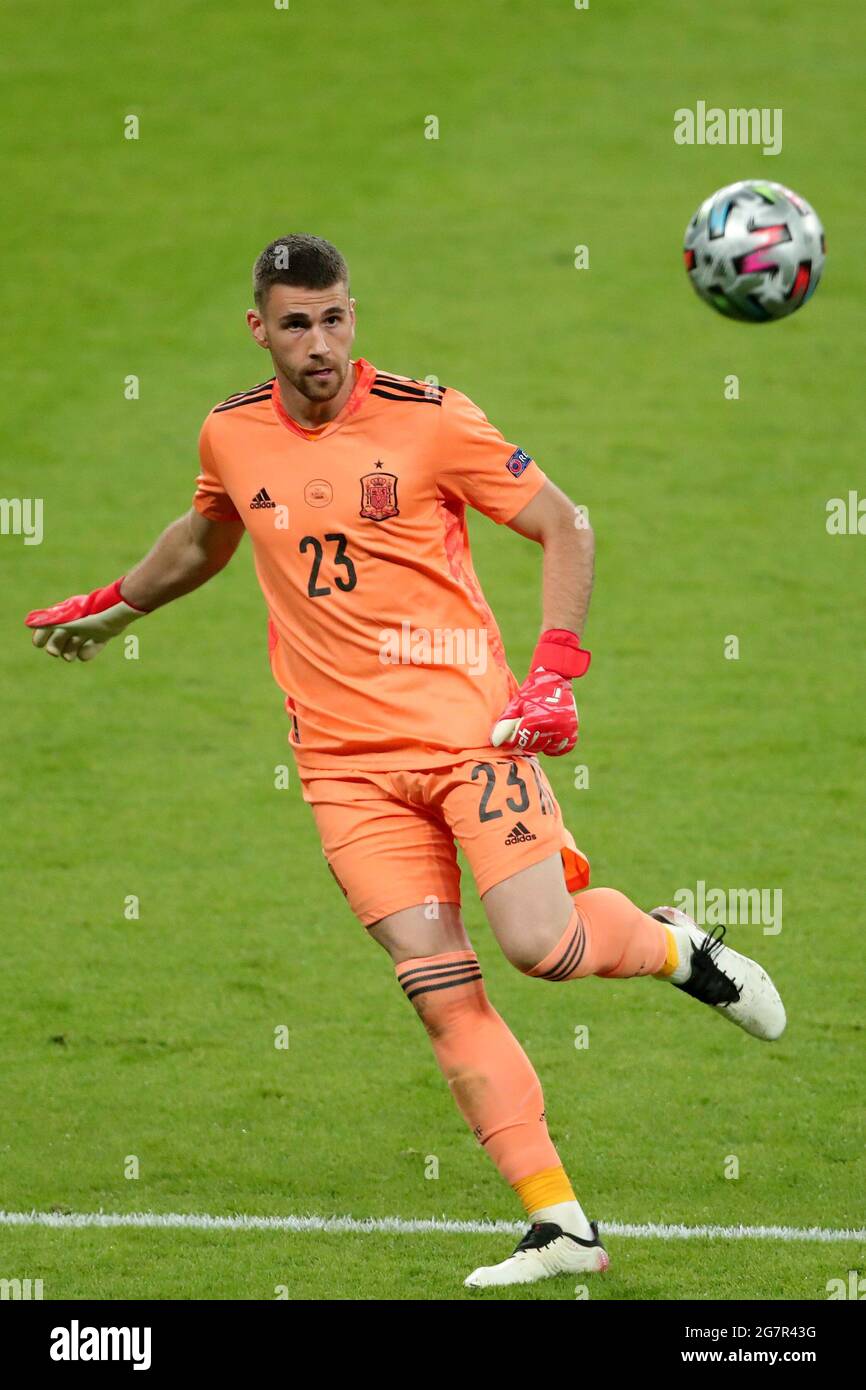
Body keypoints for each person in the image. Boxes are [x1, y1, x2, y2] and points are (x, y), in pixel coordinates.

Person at [25, 234, 786, 1290]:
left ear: (354, 315)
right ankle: (559, 1224)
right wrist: (112, 610)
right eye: (295, 324)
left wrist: (552, 671)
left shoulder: (432, 422)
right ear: (260, 330)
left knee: (539, 945)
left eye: (335, 317)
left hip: (470, 738)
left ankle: (672, 947)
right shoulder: (231, 434)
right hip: (343, 770)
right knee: (438, 990)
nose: (319, 343)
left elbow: (564, 525)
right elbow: (206, 536)